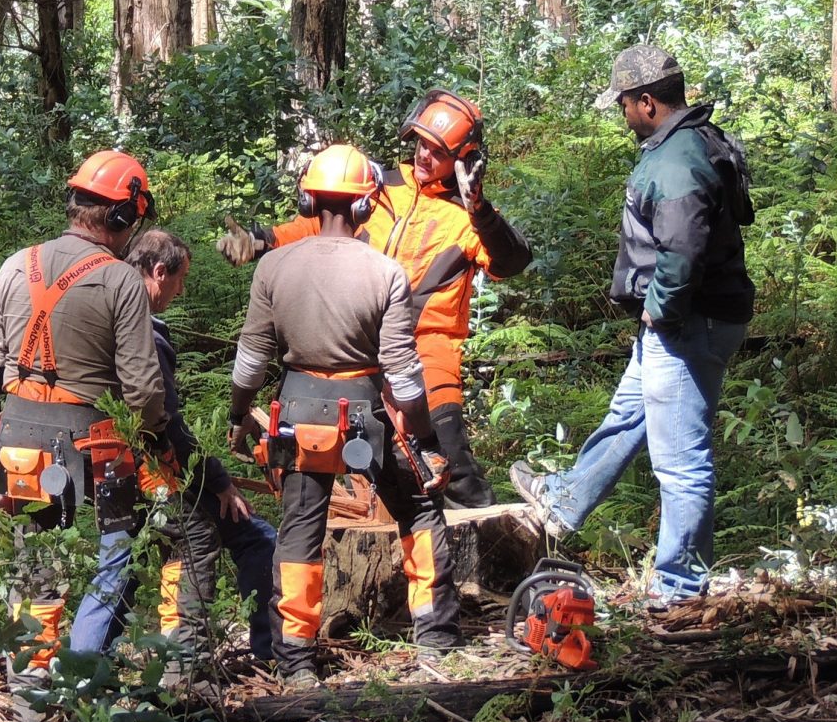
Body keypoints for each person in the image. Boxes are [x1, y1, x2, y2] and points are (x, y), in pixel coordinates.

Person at [510, 46, 755, 603]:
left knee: (681, 463)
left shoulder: (675, 161)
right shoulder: (689, 143)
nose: (621, 114)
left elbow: (683, 248)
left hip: (688, 325)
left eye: (623, 103)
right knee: (627, 417)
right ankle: (567, 497)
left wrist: (661, 308)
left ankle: (681, 588)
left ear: (646, 103)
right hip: (686, 322)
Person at [218, 90, 532, 506]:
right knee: (332, 456)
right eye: (421, 143)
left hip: (427, 352)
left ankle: (477, 543)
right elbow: (314, 226)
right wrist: (260, 241)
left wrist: (480, 208)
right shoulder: (382, 185)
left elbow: (511, 262)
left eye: (437, 151)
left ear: (463, 158)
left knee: (448, 456)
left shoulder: (468, 217)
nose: (423, 156)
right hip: (360, 344)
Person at [228, 144, 461, 688]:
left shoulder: (273, 265)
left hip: (297, 412)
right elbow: (403, 373)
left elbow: (250, 359)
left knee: (299, 532)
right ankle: (437, 640)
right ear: (365, 206)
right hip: (369, 409)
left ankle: (296, 661)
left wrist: (240, 414)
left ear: (308, 200)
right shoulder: (385, 272)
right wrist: (425, 439)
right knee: (420, 511)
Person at [0, 149, 167, 709]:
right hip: (93, 442)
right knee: (121, 551)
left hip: (15, 439)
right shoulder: (121, 282)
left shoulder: (15, 264)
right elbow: (145, 391)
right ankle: (85, 671)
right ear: (124, 217)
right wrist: (161, 438)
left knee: (35, 563)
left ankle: (32, 687)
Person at [69, 229, 276, 675]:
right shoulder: (143, 333)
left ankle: (82, 674)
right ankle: (213, 664)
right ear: (158, 272)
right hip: (156, 474)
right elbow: (168, 424)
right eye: (179, 280)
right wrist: (217, 480)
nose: (180, 291)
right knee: (240, 535)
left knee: (116, 567)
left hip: (110, 468)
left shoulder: (102, 314)